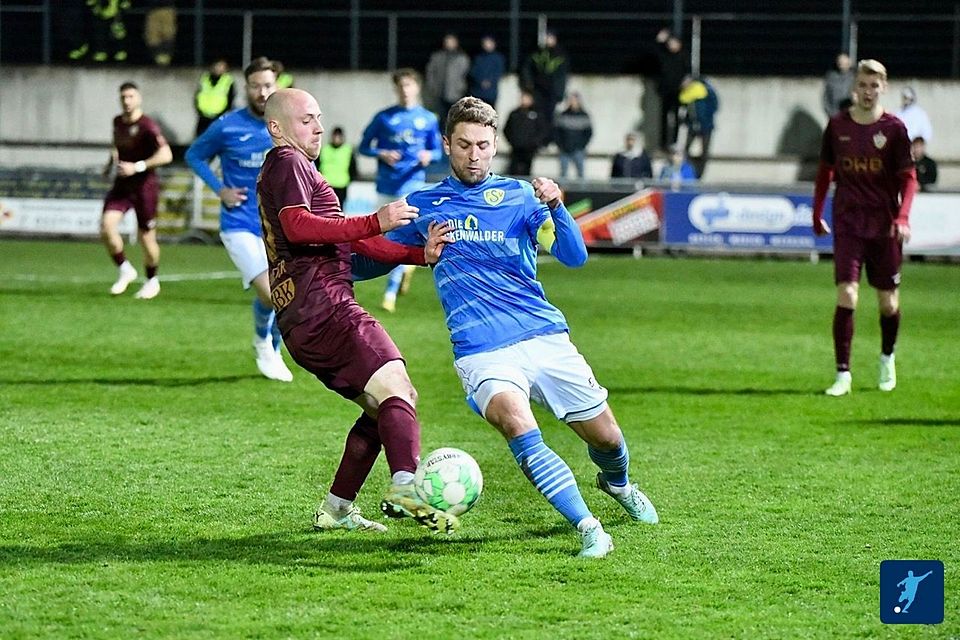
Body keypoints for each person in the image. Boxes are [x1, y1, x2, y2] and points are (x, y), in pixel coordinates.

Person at [387, 97, 660, 558]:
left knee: (608, 438)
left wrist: (557, 206)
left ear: (495, 146)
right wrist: (415, 253)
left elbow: (575, 257)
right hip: (480, 348)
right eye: (464, 145)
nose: (474, 155)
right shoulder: (423, 204)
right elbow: (365, 262)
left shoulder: (521, 197)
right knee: (517, 423)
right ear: (448, 145)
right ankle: (588, 527)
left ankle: (618, 484)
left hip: (542, 333)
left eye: (482, 145)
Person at [256, 87, 458, 534]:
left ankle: (336, 508)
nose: (319, 127)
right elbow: (299, 226)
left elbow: (348, 240)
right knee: (398, 390)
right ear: (277, 128)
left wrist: (415, 256)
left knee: (380, 406)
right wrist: (376, 219)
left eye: (319, 117)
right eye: (307, 118)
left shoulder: (292, 170)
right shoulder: (289, 163)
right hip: (325, 306)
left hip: (303, 318)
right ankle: (407, 485)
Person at [186, 56, 294, 383]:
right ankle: (263, 342)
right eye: (255, 86)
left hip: (280, 226)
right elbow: (194, 154)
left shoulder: (287, 123)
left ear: (277, 86)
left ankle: (273, 347)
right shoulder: (227, 125)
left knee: (288, 294)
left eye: (267, 86)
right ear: (245, 88)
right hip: (240, 224)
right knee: (272, 293)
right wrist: (220, 190)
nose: (262, 92)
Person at [812, 59, 917, 396]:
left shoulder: (895, 129)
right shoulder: (837, 126)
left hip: (884, 227)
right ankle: (843, 374)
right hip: (848, 224)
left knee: (888, 302)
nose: (868, 92)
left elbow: (910, 179)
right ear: (853, 88)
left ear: (883, 87)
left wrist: (902, 217)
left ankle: (887, 356)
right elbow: (825, 171)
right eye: (862, 85)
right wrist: (816, 212)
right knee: (847, 294)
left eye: (874, 86)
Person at [358, 68, 443, 313]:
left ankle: (390, 294)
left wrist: (429, 155)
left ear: (416, 88)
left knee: (396, 240)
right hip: (385, 186)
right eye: (401, 86)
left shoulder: (427, 119)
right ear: (396, 90)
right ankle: (406, 267)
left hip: (412, 186)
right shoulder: (384, 118)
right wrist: (381, 153)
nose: (405, 91)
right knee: (381, 241)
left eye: (409, 86)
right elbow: (364, 146)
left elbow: (437, 151)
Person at [100, 81, 173, 299]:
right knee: (106, 227)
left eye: (131, 96)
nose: (127, 101)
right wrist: (109, 164)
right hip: (121, 186)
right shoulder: (117, 122)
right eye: (123, 97)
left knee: (146, 238)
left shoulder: (148, 126)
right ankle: (125, 269)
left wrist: (138, 166)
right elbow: (116, 144)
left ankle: (152, 280)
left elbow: (166, 155)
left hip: (144, 188)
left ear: (138, 98)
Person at [519, 30, 569, 127]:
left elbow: (562, 76)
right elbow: (527, 68)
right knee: (536, 116)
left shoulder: (560, 55)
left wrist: (559, 93)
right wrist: (529, 85)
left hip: (552, 92)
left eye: (550, 37)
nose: (548, 40)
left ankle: (546, 139)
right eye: (547, 37)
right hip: (538, 91)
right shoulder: (538, 53)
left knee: (549, 117)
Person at [425, 33, 470, 126]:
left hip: (455, 95)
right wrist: (433, 88)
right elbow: (430, 72)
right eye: (447, 41)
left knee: (454, 120)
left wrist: (461, 88)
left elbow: (466, 74)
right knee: (440, 119)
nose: (449, 43)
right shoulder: (437, 57)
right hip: (439, 94)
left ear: (456, 43)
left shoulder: (462, 58)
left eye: (451, 41)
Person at [678, 75, 719, 178]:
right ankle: (689, 170)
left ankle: (699, 174)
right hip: (693, 126)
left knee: (704, 152)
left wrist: (705, 119)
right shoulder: (686, 95)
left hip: (706, 126)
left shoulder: (704, 91)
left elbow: (714, 106)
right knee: (685, 150)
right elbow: (684, 110)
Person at [653, 29, 687, 151]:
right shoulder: (664, 55)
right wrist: (659, 41)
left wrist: (687, 81)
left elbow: (688, 71)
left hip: (679, 92)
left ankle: (674, 142)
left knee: (677, 117)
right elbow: (655, 54)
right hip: (665, 91)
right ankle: (663, 143)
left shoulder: (683, 56)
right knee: (664, 118)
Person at [503, 90, 548, 176]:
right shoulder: (514, 114)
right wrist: (513, 141)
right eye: (522, 98)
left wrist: (535, 143)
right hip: (516, 148)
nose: (524, 100)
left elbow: (542, 130)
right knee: (513, 172)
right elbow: (506, 130)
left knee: (527, 173)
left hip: (530, 149)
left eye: (526, 98)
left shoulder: (537, 114)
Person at [553, 91, 593, 179]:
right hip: (564, 149)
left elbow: (588, 133)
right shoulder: (563, 115)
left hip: (578, 150)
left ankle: (582, 193)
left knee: (581, 174)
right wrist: (561, 145)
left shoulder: (584, 116)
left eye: (575, 100)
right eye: (571, 100)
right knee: (563, 174)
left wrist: (581, 146)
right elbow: (556, 133)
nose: (573, 102)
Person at [194, 58, 236, 138]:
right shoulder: (204, 78)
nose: (218, 68)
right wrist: (199, 110)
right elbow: (197, 95)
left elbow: (231, 99)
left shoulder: (227, 80)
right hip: (203, 117)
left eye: (221, 66)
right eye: (217, 65)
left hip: (219, 117)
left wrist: (224, 114)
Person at [317, 126, 358, 205]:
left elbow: (353, 167)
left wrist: (351, 179)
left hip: (341, 184)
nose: (336, 139)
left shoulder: (348, 150)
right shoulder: (324, 149)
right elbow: (317, 165)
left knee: (339, 208)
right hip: (326, 184)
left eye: (339, 136)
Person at [468, 35, 506, 109]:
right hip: (478, 92)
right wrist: (480, 81)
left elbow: (498, 72)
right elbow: (473, 72)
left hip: (491, 93)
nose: (487, 45)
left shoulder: (498, 58)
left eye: (489, 43)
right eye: (485, 43)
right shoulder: (478, 58)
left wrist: (490, 81)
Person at [822, 53, 855, 118]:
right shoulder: (831, 77)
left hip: (851, 115)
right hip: (835, 114)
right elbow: (826, 97)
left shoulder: (855, 77)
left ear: (849, 63)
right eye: (840, 63)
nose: (842, 65)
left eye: (845, 63)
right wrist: (830, 112)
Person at [143, 0, 176, 66]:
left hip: (167, 8)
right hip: (154, 10)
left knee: (167, 35)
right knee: (153, 37)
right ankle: (159, 57)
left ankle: (165, 57)